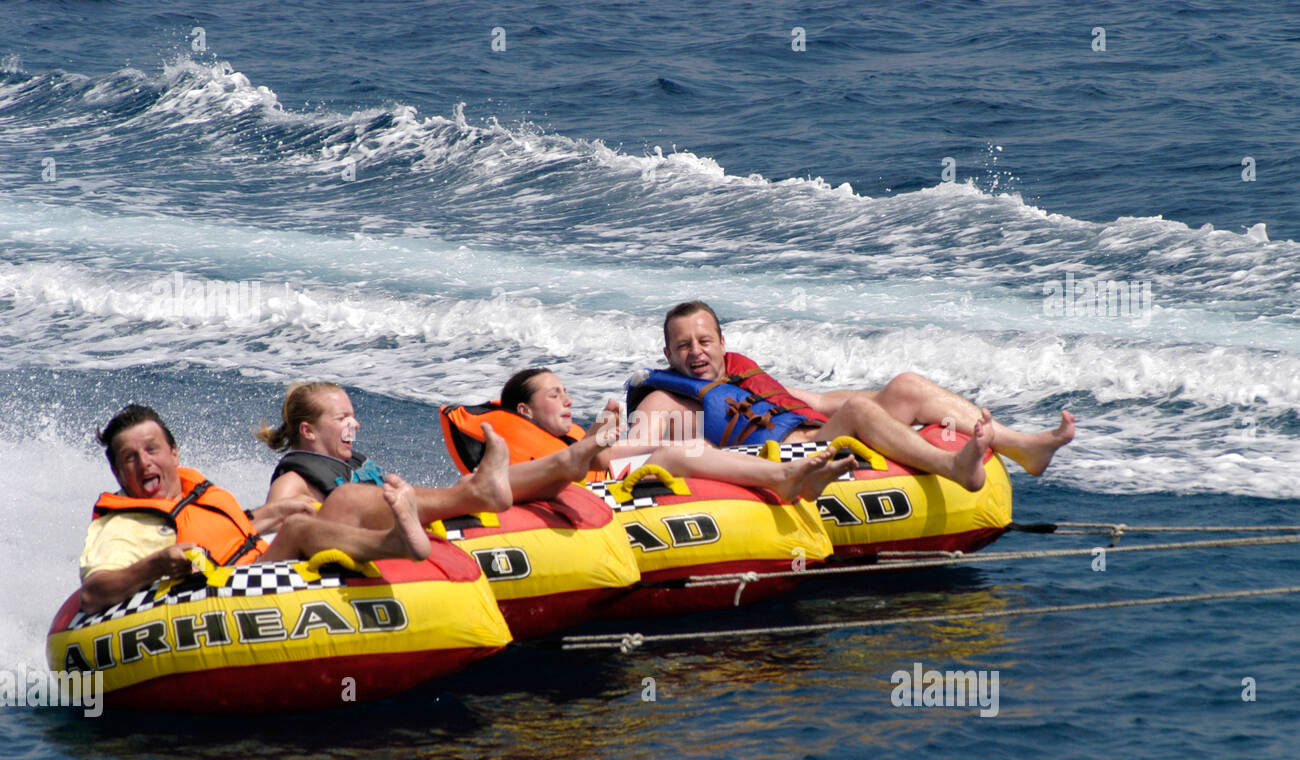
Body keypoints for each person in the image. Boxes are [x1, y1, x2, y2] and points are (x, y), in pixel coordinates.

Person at [629, 301, 1076, 491]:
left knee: (902, 387)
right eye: (684, 346)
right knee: (860, 410)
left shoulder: (743, 376)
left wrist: (895, 401)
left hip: (813, 430)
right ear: (668, 354)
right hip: (782, 456)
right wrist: (604, 434)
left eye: (704, 341)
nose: (696, 352)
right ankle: (953, 467)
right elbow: (632, 445)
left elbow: (816, 403)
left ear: (722, 343)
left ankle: (1024, 447)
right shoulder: (667, 401)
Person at [78, 405, 434, 614]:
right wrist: (156, 564)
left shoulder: (190, 488)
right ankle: (397, 544)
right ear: (117, 472)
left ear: (174, 453)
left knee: (338, 502)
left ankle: (462, 500)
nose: (144, 463)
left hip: (259, 570)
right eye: (130, 458)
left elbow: (227, 532)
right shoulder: (123, 526)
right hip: (222, 599)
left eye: (152, 450)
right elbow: (93, 594)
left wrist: (271, 513)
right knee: (297, 529)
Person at [478, 367, 858, 502]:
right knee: (680, 451)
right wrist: (599, 438)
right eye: (554, 394)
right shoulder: (511, 444)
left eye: (565, 390)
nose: (567, 399)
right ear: (524, 410)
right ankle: (783, 480)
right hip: (606, 494)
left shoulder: (569, 436)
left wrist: (598, 434)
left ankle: (780, 474)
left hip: (614, 482)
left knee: (692, 443)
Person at [259, 382, 517, 531]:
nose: (355, 424)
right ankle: (474, 494)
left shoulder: (351, 462)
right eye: (343, 418)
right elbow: (273, 527)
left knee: (454, 485)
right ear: (308, 431)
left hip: (402, 524)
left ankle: (484, 487)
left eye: (352, 415)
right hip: (369, 541)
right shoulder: (293, 481)